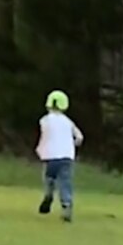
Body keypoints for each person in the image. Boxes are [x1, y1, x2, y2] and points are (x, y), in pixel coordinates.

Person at [36, 90, 84, 222]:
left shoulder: (44, 120)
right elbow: (79, 137)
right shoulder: (68, 122)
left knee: (48, 178)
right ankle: (66, 205)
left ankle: (48, 194)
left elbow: (45, 135)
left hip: (50, 156)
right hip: (66, 157)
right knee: (65, 182)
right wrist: (74, 144)